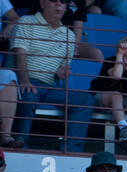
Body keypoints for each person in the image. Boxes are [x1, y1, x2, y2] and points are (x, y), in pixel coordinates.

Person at [12, 0, 97, 153]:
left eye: (63, 2)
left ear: (66, 7)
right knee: (29, 94)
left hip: (50, 87)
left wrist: (60, 74)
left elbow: (60, 71)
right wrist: (24, 81)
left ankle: (72, 150)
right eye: (54, 0)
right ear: (43, 3)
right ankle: (21, 144)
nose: (58, 4)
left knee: (85, 100)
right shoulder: (26, 22)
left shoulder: (69, 36)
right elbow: (20, 54)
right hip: (27, 81)